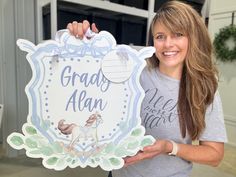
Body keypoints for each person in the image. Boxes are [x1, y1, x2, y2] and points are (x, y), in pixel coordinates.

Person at [66, 1, 227, 177]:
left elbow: (215, 154)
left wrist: (169, 147)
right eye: (160, 36)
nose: (167, 44)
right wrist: (85, 44)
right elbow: (94, 82)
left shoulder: (204, 88)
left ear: (193, 38)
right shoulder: (133, 72)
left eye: (178, 35)